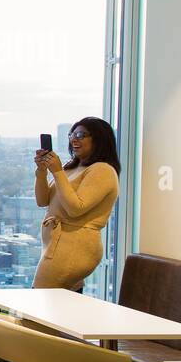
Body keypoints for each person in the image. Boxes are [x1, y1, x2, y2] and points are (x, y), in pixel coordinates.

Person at [33, 117, 121, 291]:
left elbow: (76, 208)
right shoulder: (72, 167)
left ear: (99, 139)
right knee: (63, 305)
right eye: (72, 134)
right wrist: (42, 172)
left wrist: (57, 171)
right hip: (58, 245)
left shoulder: (102, 170)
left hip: (74, 246)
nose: (74, 139)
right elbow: (43, 201)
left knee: (40, 299)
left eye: (80, 135)